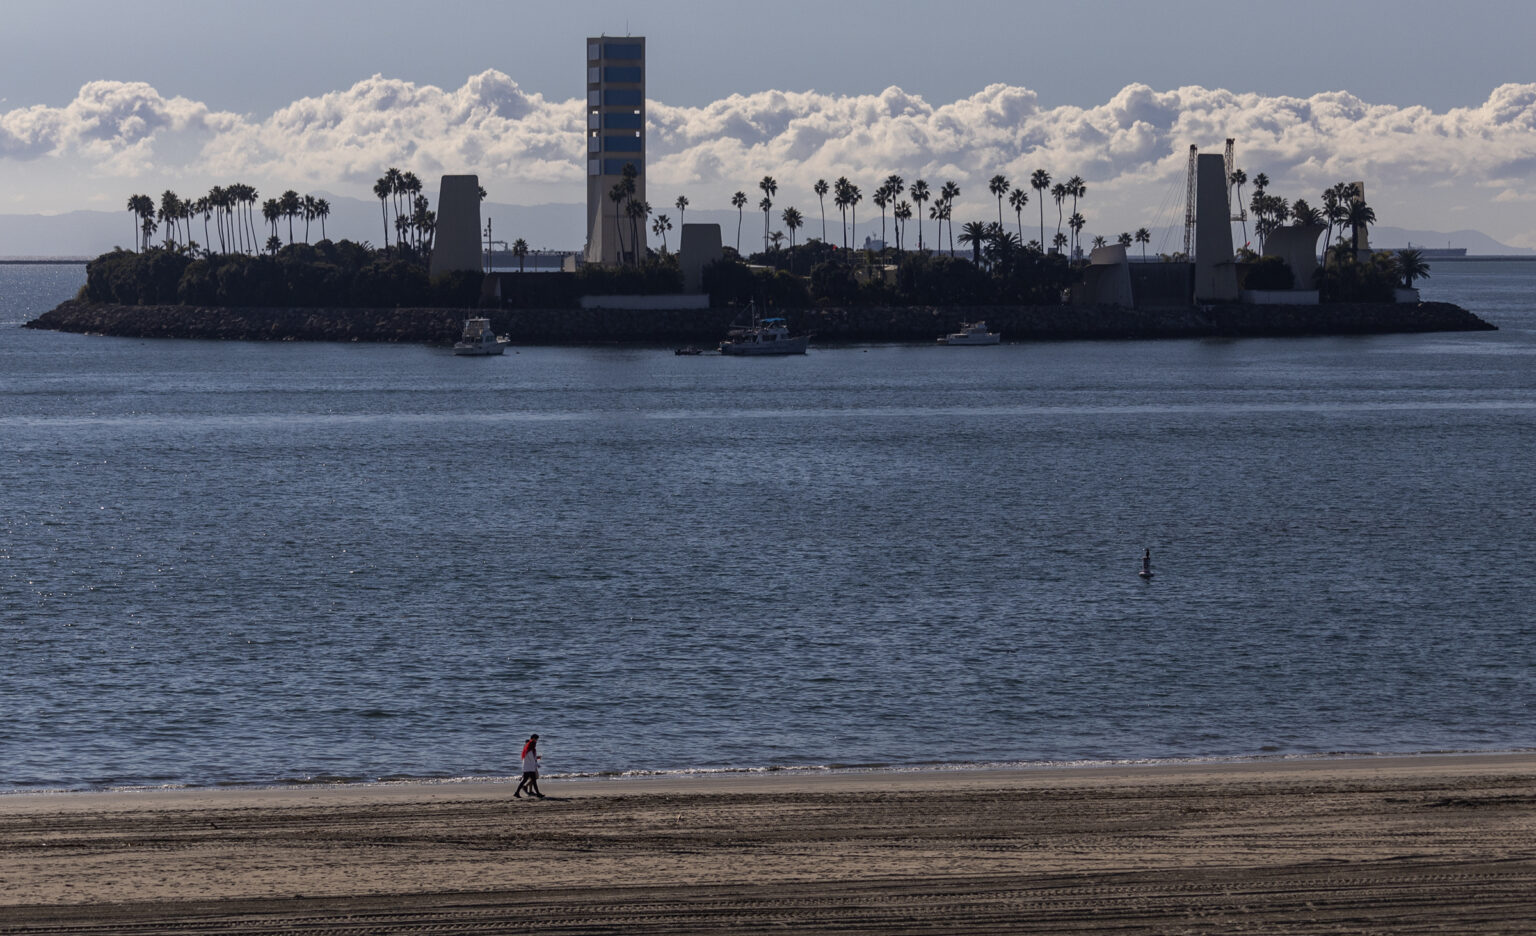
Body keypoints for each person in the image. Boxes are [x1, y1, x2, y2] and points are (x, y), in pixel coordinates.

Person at [514, 734, 543, 799]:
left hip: (528, 766)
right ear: (532, 738)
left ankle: (517, 792)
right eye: (536, 739)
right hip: (529, 767)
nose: (536, 741)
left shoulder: (529, 746)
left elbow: (531, 757)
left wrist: (536, 759)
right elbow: (531, 758)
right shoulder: (530, 746)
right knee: (529, 780)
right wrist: (537, 764)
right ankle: (537, 794)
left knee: (530, 780)